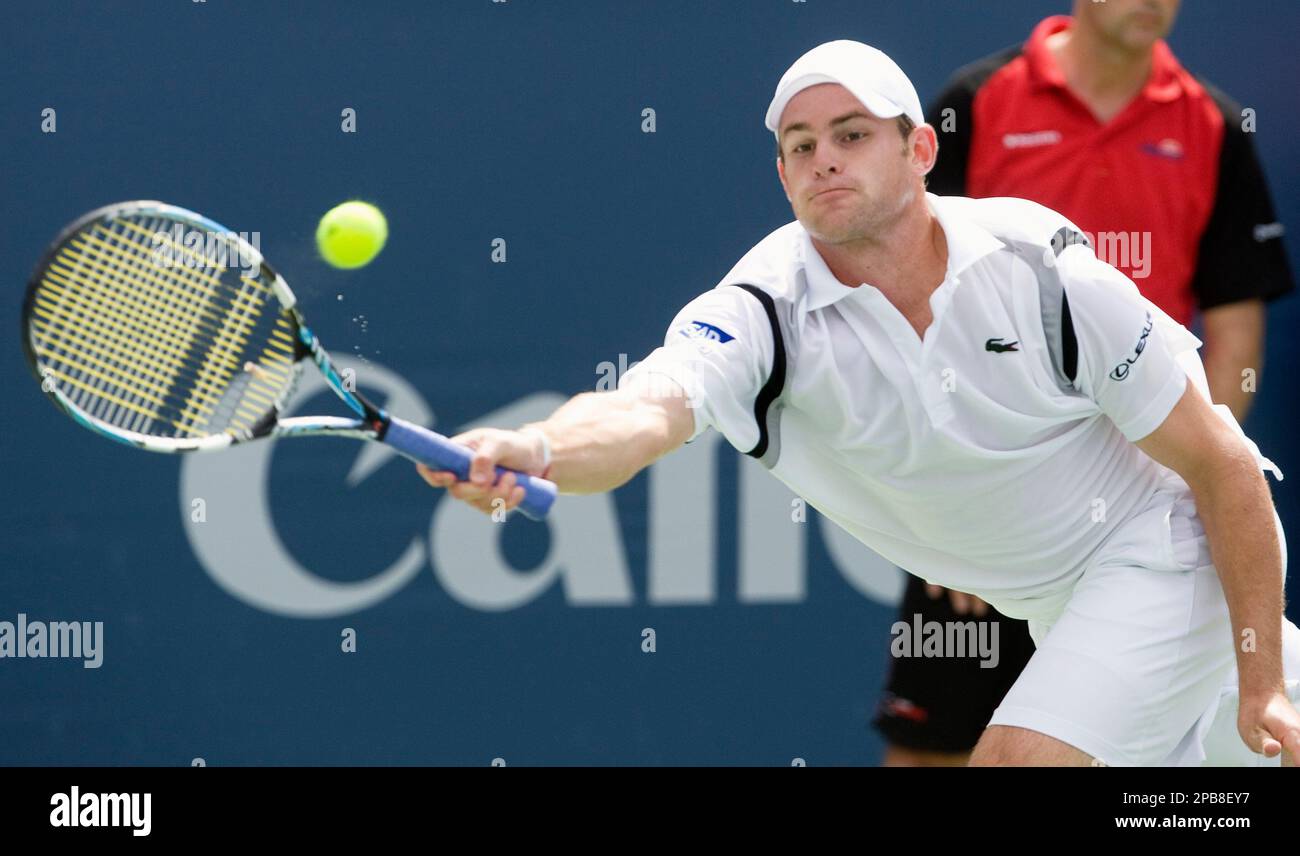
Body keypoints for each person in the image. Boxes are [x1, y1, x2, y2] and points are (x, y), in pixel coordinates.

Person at [416, 39, 1300, 765]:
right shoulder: (761, 311)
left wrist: (1260, 681)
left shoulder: (1043, 270)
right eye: (800, 146)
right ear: (783, 177)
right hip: (1057, 605)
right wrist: (539, 447)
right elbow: (643, 415)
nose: (824, 158)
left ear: (920, 152)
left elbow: (1223, 463)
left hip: (1170, 547)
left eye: (851, 133)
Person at [876, 0, 1296, 767]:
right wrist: (958, 507)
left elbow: (1235, 325)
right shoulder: (977, 102)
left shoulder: (1212, 123)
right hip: (995, 482)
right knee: (932, 750)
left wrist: (1193, 471)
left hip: (1146, 495)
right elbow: (908, 291)